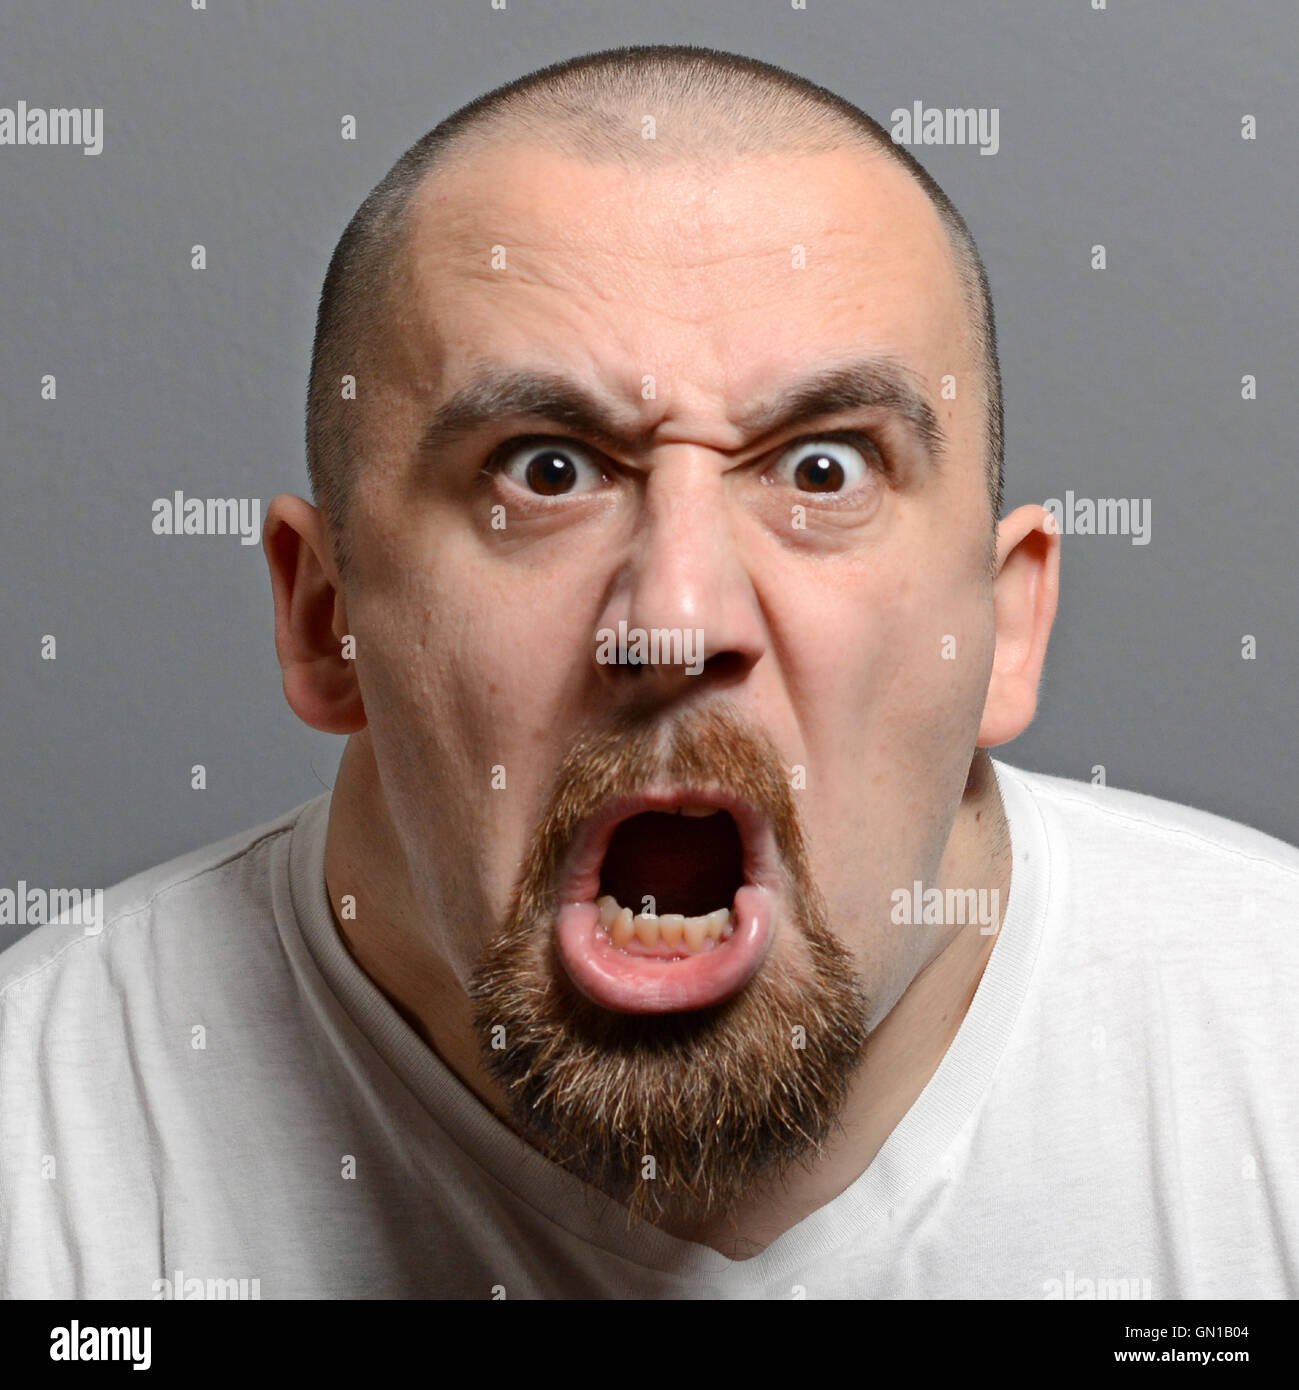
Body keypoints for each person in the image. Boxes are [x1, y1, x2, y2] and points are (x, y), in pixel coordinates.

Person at [3, 44, 1295, 1300]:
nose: (675, 621)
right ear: (323, 612)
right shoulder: (38, 1151)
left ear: (1005, 632)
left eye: (823, 468)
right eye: (545, 469)